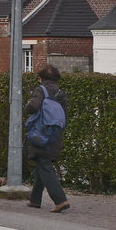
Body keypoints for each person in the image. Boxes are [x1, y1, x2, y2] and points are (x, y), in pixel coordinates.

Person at [25, 63, 70, 212]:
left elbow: (33, 107)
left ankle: (60, 200)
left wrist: (27, 105)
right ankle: (35, 200)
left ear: (41, 78)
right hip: (54, 134)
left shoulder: (41, 89)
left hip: (40, 133)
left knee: (45, 165)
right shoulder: (60, 92)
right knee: (42, 164)